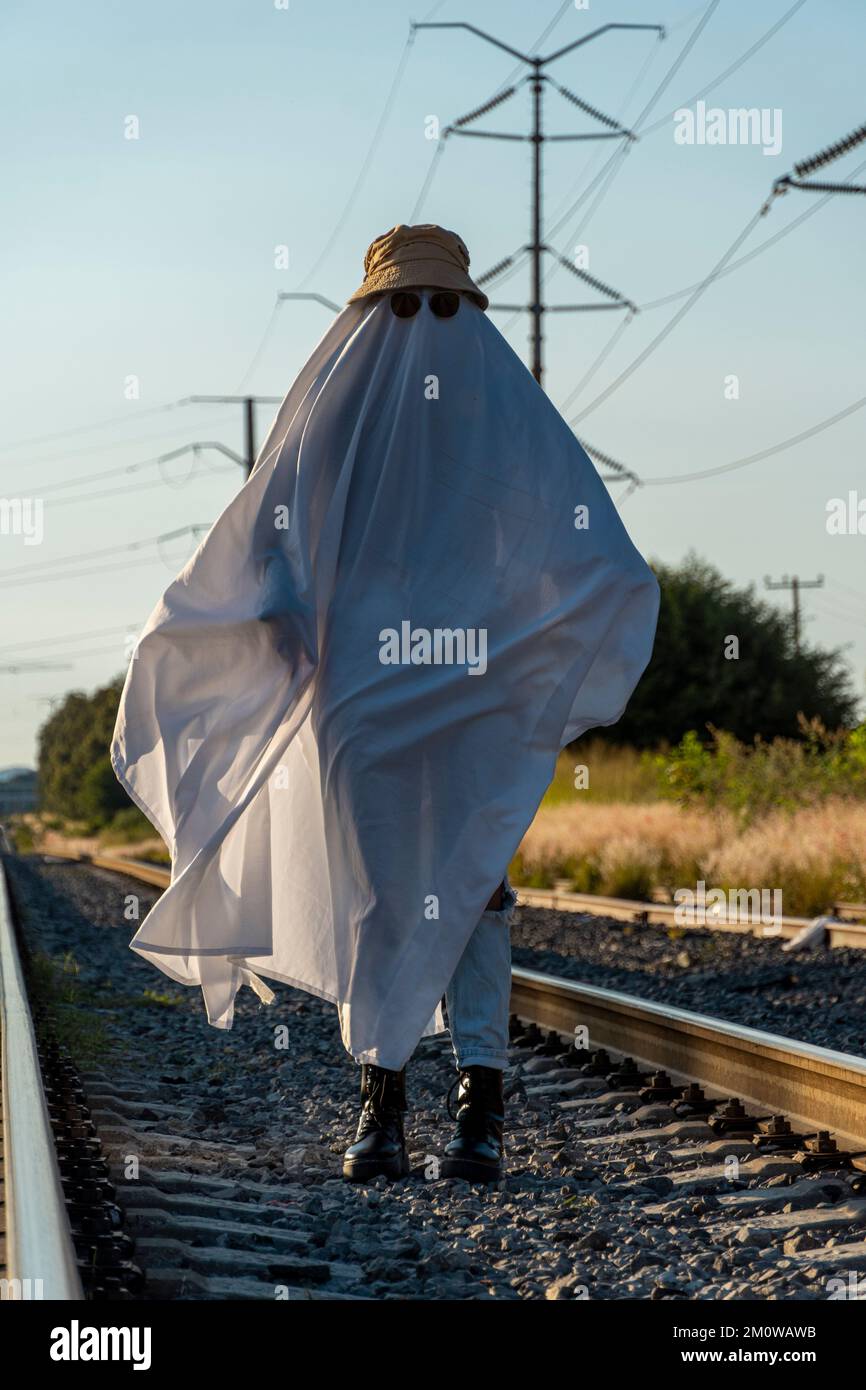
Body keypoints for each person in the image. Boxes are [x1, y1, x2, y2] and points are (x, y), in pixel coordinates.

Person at [111, 224, 659, 1186]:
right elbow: (269, 546)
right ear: (374, 311)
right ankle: (389, 1103)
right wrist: (281, 629)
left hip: (459, 693)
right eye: (407, 304)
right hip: (370, 697)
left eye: (437, 305)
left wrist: (545, 646)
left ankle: (469, 1105)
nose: (424, 324)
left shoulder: (483, 414)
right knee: (389, 893)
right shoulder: (363, 414)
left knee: (474, 882)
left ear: (461, 310)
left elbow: (581, 550)